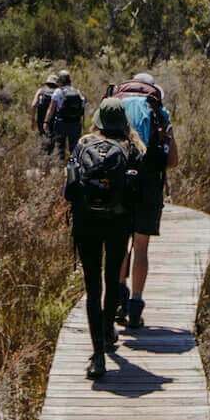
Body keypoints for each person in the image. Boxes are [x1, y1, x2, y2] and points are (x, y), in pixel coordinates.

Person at [66, 97, 144, 380]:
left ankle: (98, 355)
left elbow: (69, 190)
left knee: (92, 286)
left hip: (86, 225)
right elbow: (138, 193)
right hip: (118, 225)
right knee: (112, 280)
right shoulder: (131, 148)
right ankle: (109, 332)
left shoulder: (82, 144)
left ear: (98, 120)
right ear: (123, 122)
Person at [110, 71, 178, 330]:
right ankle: (136, 308)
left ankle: (118, 299)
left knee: (119, 242)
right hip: (148, 183)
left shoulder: (115, 105)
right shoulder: (160, 112)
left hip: (117, 180)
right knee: (141, 246)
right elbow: (172, 161)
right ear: (152, 90)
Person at [43, 70, 86, 161]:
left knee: (60, 148)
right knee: (74, 149)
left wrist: (46, 122)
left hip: (61, 123)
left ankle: (60, 168)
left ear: (61, 81)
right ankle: (74, 169)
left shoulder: (58, 92)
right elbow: (82, 106)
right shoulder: (77, 91)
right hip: (75, 123)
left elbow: (51, 108)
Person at [31, 73, 59, 153]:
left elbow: (33, 105)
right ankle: (50, 155)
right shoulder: (58, 93)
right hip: (54, 120)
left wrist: (32, 120)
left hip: (41, 120)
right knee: (52, 139)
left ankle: (42, 154)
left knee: (42, 136)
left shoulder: (40, 91)